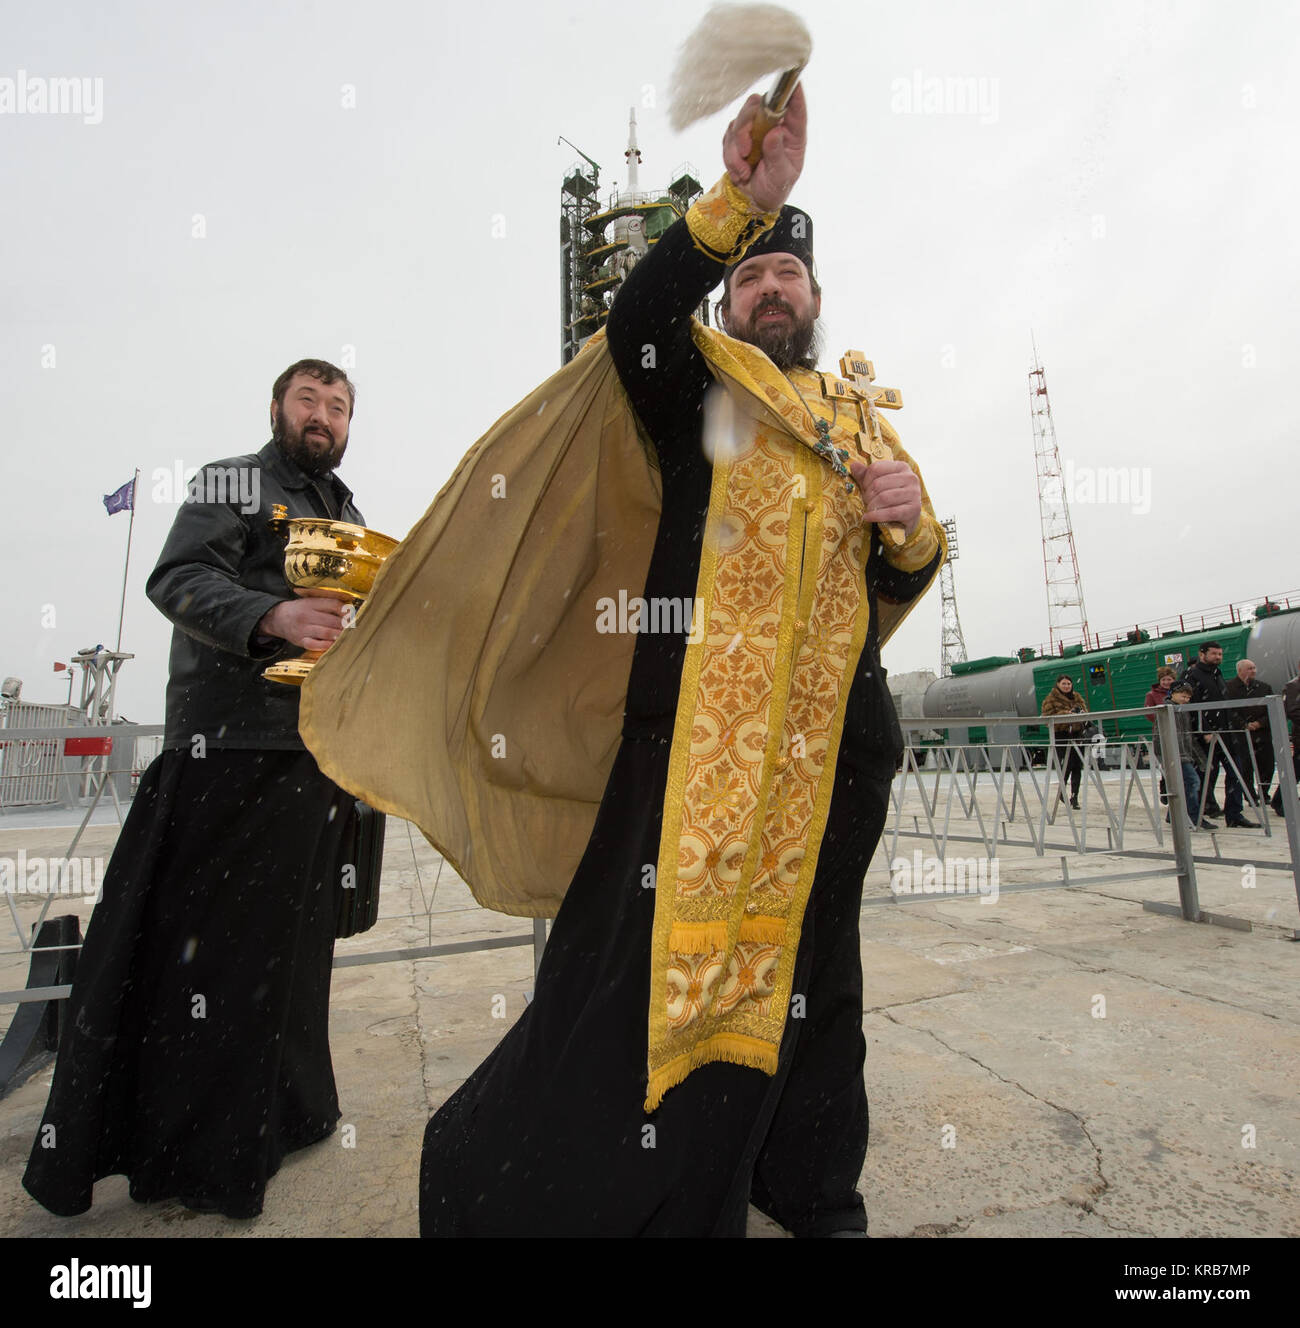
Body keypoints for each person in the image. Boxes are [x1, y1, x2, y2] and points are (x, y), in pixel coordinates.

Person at [302, 87, 945, 1236]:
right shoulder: (696, 386)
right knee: (635, 979)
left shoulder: (863, 423)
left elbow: (882, 592)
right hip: (687, 747)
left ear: (812, 294)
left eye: (783, 275)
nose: (767, 288)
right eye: (750, 275)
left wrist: (907, 530)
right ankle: (595, 1192)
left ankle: (804, 1181)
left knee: (819, 978)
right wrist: (741, 202)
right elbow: (636, 320)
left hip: (837, 753)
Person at [24, 359, 365, 1219]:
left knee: (291, 954)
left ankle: (289, 1115)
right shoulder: (235, 484)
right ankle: (204, 1153)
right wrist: (271, 616)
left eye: (337, 405)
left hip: (314, 755)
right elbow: (176, 578)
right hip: (231, 751)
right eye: (307, 401)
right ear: (278, 408)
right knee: (217, 961)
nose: (321, 416)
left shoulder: (348, 514)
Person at [1179, 642, 1257, 828]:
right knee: (1202, 777)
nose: (1218, 657)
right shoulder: (1191, 675)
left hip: (1225, 734)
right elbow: (1189, 706)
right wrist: (1204, 730)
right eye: (1214, 654)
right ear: (1202, 654)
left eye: (1220, 654)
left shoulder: (1217, 674)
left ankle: (1234, 814)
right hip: (1205, 737)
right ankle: (1193, 815)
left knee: (1235, 773)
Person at [1160, 681, 1217, 829]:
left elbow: (1188, 737)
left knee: (1183, 785)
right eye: (1183, 696)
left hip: (1182, 753)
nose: (1186, 700)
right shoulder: (1166, 711)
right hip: (1175, 754)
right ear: (1172, 693)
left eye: (1188, 697)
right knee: (1192, 782)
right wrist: (1163, 756)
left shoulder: (1181, 711)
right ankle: (1193, 817)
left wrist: (1199, 758)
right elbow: (1159, 736)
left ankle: (1173, 815)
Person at [1225, 659, 1273, 804]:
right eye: (1249, 668)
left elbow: (1271, 709)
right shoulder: (1229, 688)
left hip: (1262, 733)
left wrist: (1259, 723)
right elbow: (1229, 710)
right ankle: (1250, 794)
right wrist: (1243, 724)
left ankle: (1264, 793)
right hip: (1241, 735)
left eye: (1254, 668)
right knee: (1245, 766)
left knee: (1267, 764)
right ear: (1240, 670)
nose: (1253, 671)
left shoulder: (1264, 687)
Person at [1041, 674, 1088, 808]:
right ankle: (1062, 791)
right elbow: (1047, 718)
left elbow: (1086, 712)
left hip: (1077, 734)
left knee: (1077, 766)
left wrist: (1080, 714)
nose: (1067, 686)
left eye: (1068, 683)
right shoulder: (1050, 699)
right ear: (1058, 684)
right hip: (1062, 735)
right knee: (1067, 765)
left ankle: (1075, 797)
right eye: (1064, 684)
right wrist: (1066, 714)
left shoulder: (1077, 697)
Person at [1144, 666, 1176, 802]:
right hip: (1162, 732)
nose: (1166, 682)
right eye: (1164, 680)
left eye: (1169, 679)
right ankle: (1166, 790)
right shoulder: (1151, 695)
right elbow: (1149, 712)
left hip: (1178, 731)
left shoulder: (1178, 693)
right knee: (1167, 764)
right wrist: (1161, 720)